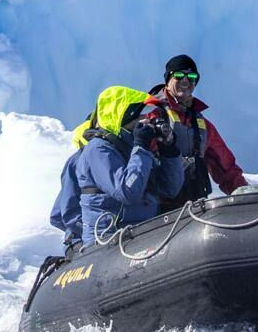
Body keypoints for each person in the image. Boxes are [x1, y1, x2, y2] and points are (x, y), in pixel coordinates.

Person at [62, 100, 185, 247]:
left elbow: (169, 188)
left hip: (145, 233)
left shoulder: (136, 152)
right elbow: (66, 212)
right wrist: (76, 242)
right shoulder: (93, 153)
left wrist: (169, 149)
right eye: (139, 117)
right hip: (110, 238)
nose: (143, 121)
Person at [141, 54, 247, 210]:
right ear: (168, 80)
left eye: (191, 76)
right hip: (156, 212)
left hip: (193, 211)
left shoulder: (203, 126)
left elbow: (227, 169)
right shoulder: (151, 114)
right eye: (178, 75)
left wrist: (244, 196)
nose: (185, 80)